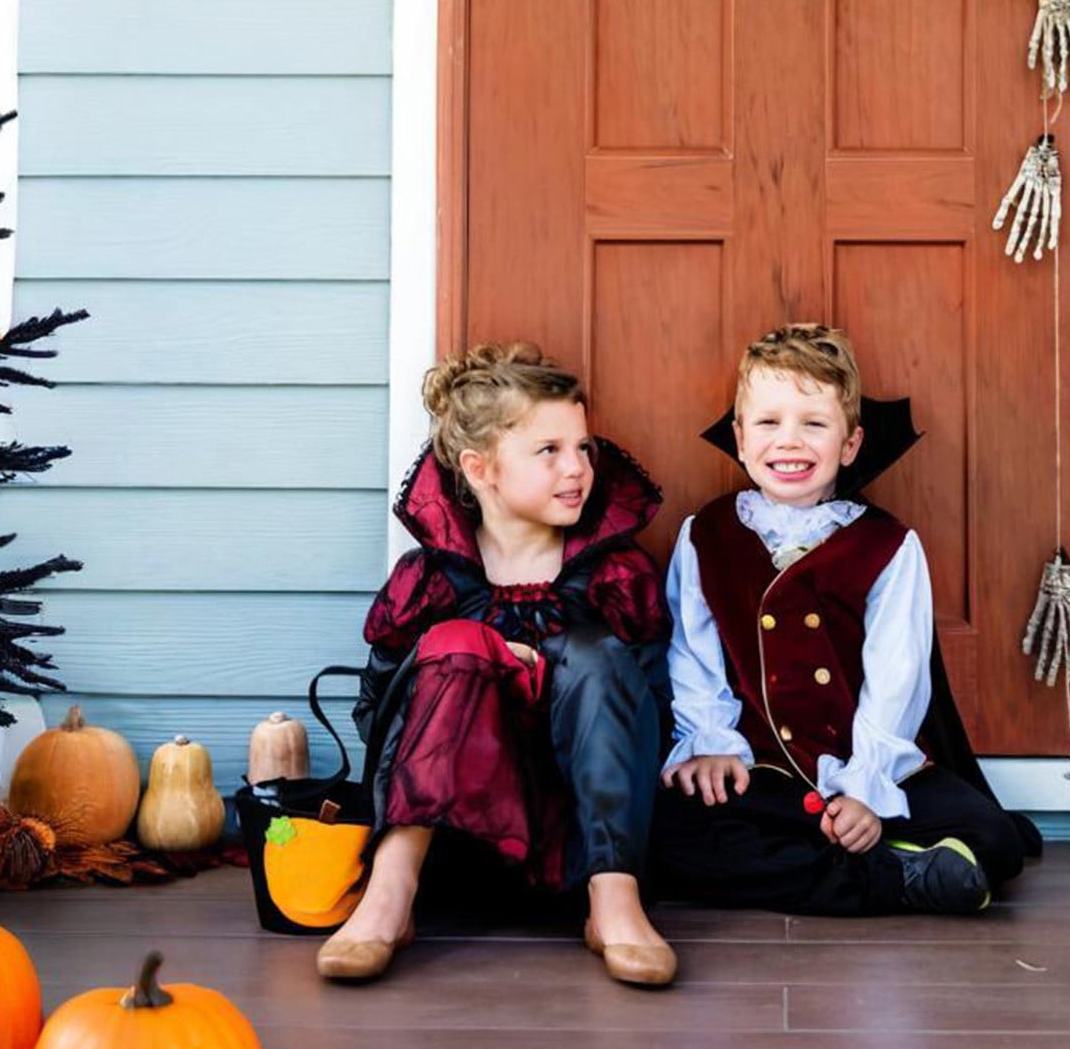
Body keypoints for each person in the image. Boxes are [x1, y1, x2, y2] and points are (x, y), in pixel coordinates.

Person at [318, 343, 676, 986]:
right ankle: (390, 896)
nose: (577, 469)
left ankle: (615, 905)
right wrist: (478, 668)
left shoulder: (611, 575)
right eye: (549, 451)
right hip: (458, 833)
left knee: (594, 656)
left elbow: (651, 703)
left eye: (583, 447)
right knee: (457, 644)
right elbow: (377, 715)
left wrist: (551, 683)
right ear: (480, 469)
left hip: (583, 833)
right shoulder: (432, 580)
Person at [652, 323, 1031, 916]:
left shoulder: (888, 546)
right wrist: (709, 744)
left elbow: (898, 678)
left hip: (866, 764)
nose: (790, 442)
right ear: (740, 437)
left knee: (995, 838)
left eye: (814, 424)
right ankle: (893, 877)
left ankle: (870, 851)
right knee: (669, 832)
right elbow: (692, 654)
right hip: (761, 770)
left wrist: (866, 791)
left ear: (850, 444)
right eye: (769, 422)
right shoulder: (707, 534)